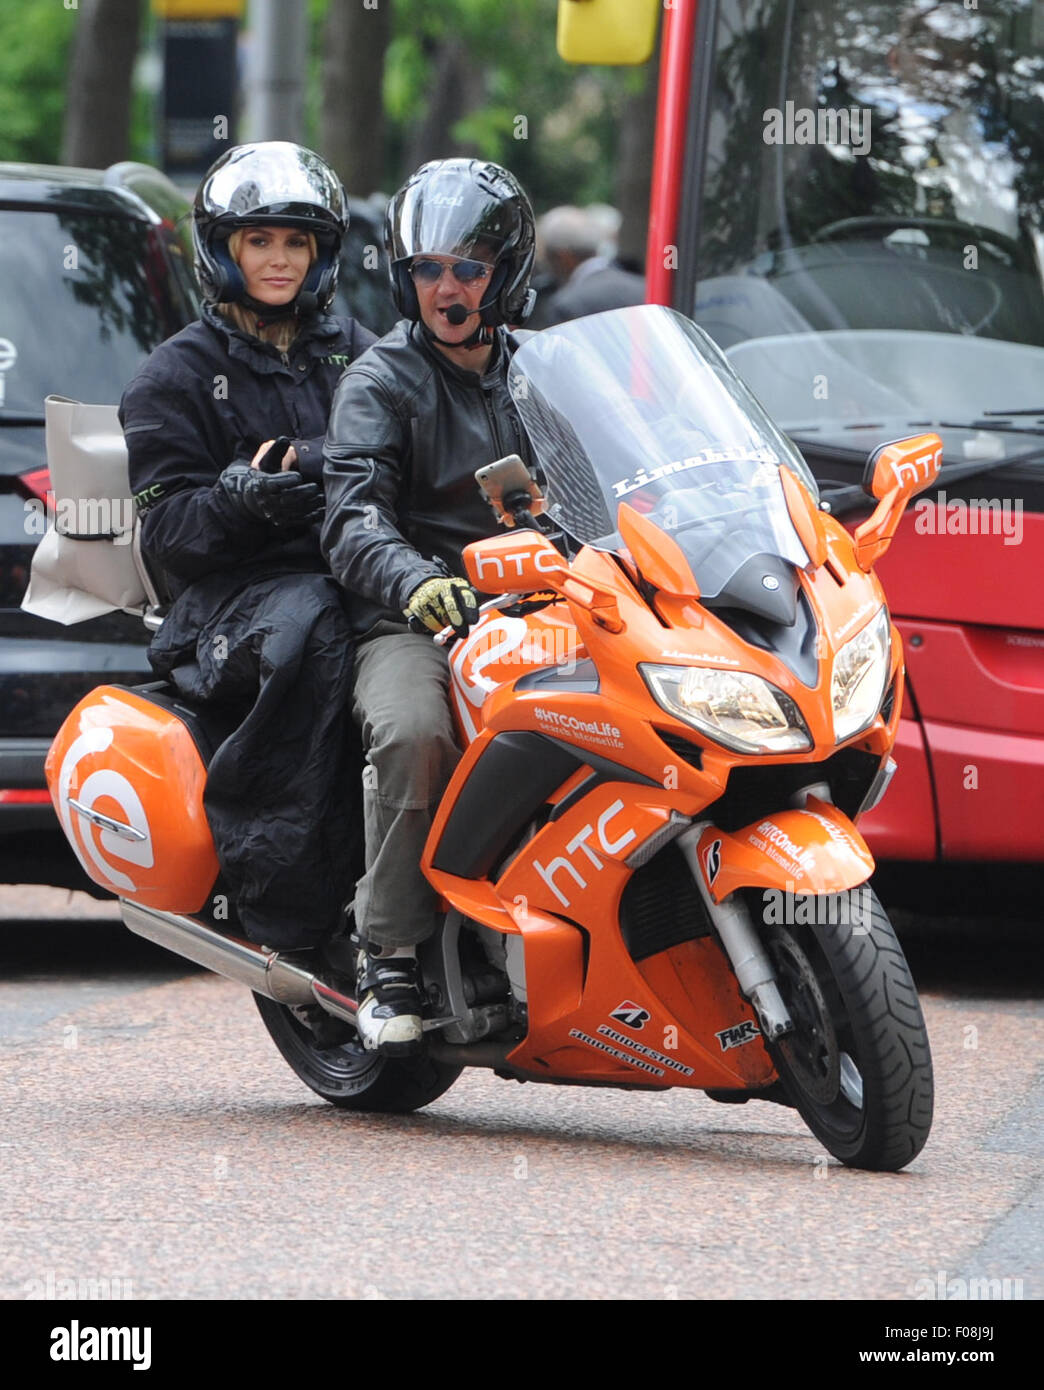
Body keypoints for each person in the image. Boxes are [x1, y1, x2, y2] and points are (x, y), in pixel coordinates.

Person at [119, 142, 375, 952]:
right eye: (259, 240)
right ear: (223, 251)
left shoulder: (356, 352)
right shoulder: (175, 376)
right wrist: (238, 503)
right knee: (316, 624)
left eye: (296, 242)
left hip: (353, 571)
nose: (279, 260)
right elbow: (165, 532)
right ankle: (286, 888)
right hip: (221, 608)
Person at [321, 157, 536, 1053]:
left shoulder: (543, 373)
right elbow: (349, 516)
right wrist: (416, 580)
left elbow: (619, 481)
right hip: (410, 621)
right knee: (417, 733)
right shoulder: (379, 382)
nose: (447, 289)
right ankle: (392, 953)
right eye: (427, 271)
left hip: (537, 607)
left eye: (468, 269)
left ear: (506, 274)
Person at [529, 204, 645, 328]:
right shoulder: (642, 287)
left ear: (564, 257)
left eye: (546, 255)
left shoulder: (567, 304)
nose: (544, 262)